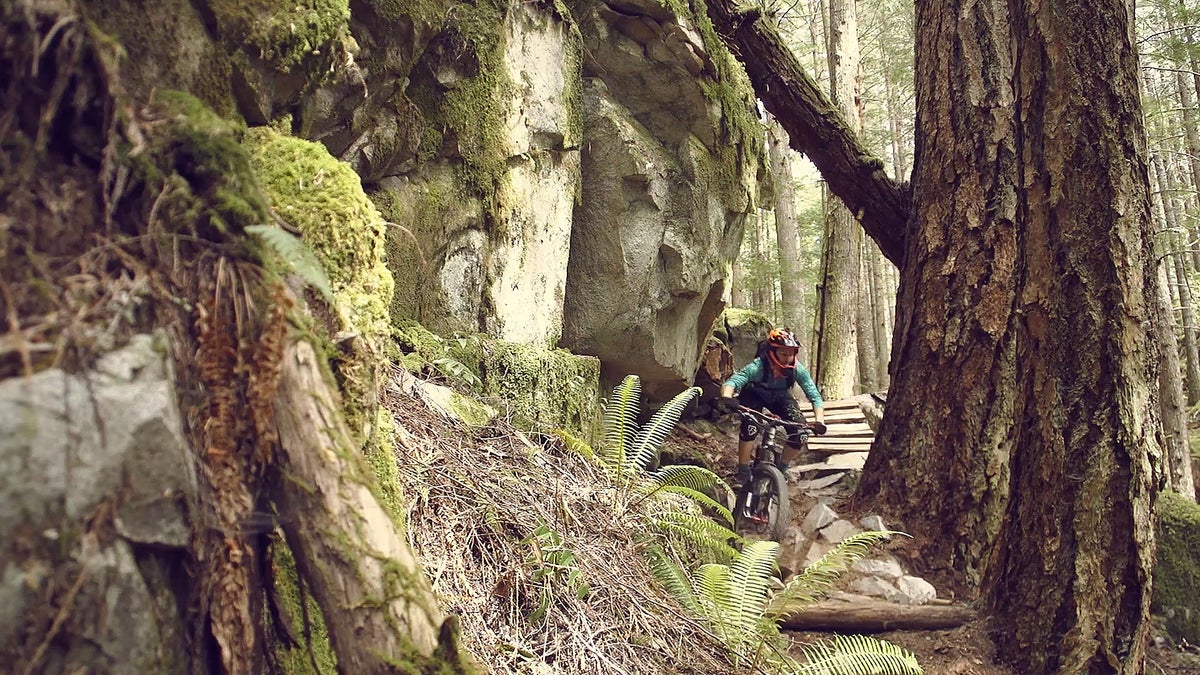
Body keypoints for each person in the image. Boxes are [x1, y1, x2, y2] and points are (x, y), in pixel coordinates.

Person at [717, 328, 827, 484]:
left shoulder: (797, 369)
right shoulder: (758, 366)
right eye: (783, 354)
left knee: (801, 433)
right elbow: (732, 382)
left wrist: (819, 421)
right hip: (754, 393)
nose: (788, 359)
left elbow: (815, 396)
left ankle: (781, 471)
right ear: (773, 352)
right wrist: (727, 397)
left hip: (780, 396)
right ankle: (743, 470)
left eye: (791, 354)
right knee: (751, 426)